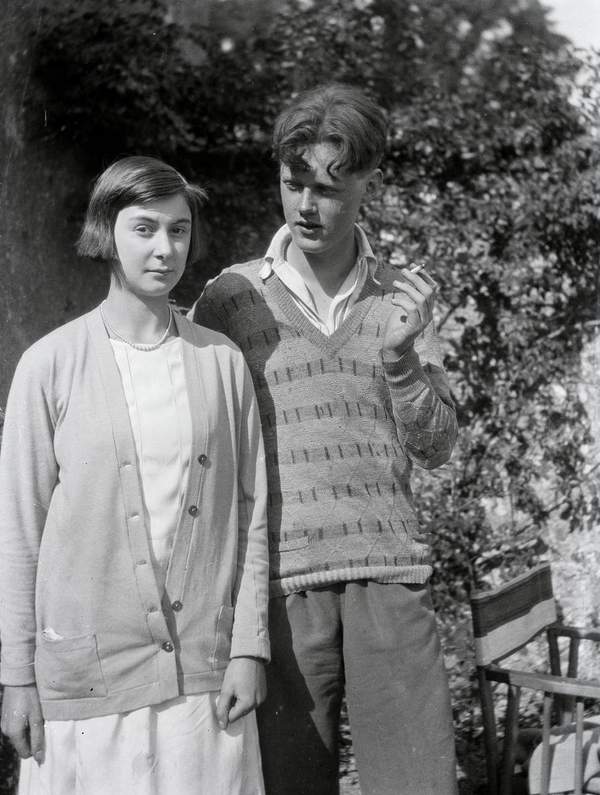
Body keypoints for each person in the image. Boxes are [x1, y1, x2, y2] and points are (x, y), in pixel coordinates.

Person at [188, 84, 459, 795]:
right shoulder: (229, 299)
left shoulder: (404, 298)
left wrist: (401, 359)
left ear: (367, 182)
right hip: (279, 591)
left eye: (330, 189)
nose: (307, 206)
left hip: (389, 582)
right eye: (293, 183)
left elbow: (435, 447)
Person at [0, 156, 270, 795]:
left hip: (204, 682)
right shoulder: (50, 366)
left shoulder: (221, 363)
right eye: (144, 229)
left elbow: (252, 514)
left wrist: (249, 648)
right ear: (106, 234)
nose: (165, 249)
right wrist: (16, 676)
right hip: (87, 684)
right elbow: (19, 532)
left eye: (179, 231)